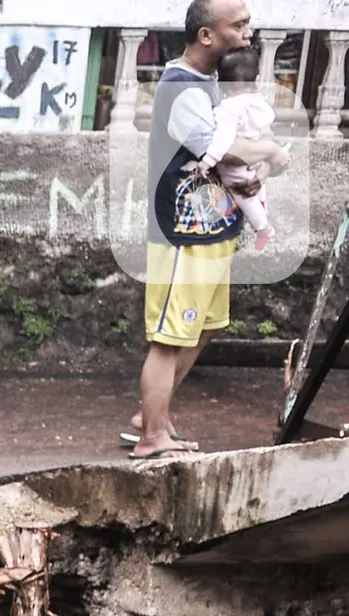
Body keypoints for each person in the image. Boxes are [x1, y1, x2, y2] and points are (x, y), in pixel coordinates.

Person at [132, 0, 278, 459]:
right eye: (238, 25)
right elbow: (224, 150)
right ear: (207, 36)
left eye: (248, 23)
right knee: (170, 335)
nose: (248, 33)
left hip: (211, 227)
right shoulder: (180, 89)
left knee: (204, 328)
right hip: (182, 232)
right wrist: (269, 152)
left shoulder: (213, 81)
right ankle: (151, 436)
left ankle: (152, 414)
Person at [202, 48, 280, 254]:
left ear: (221, 83)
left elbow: (223, 140)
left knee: (241, 191)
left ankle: (263, 228)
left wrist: (208, 161)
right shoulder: (259, 105)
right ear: (257, 81)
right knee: (256, 182)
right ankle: (263, 204)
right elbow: (267, 123)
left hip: (236, 161)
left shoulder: (228, 108)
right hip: (255, 154)